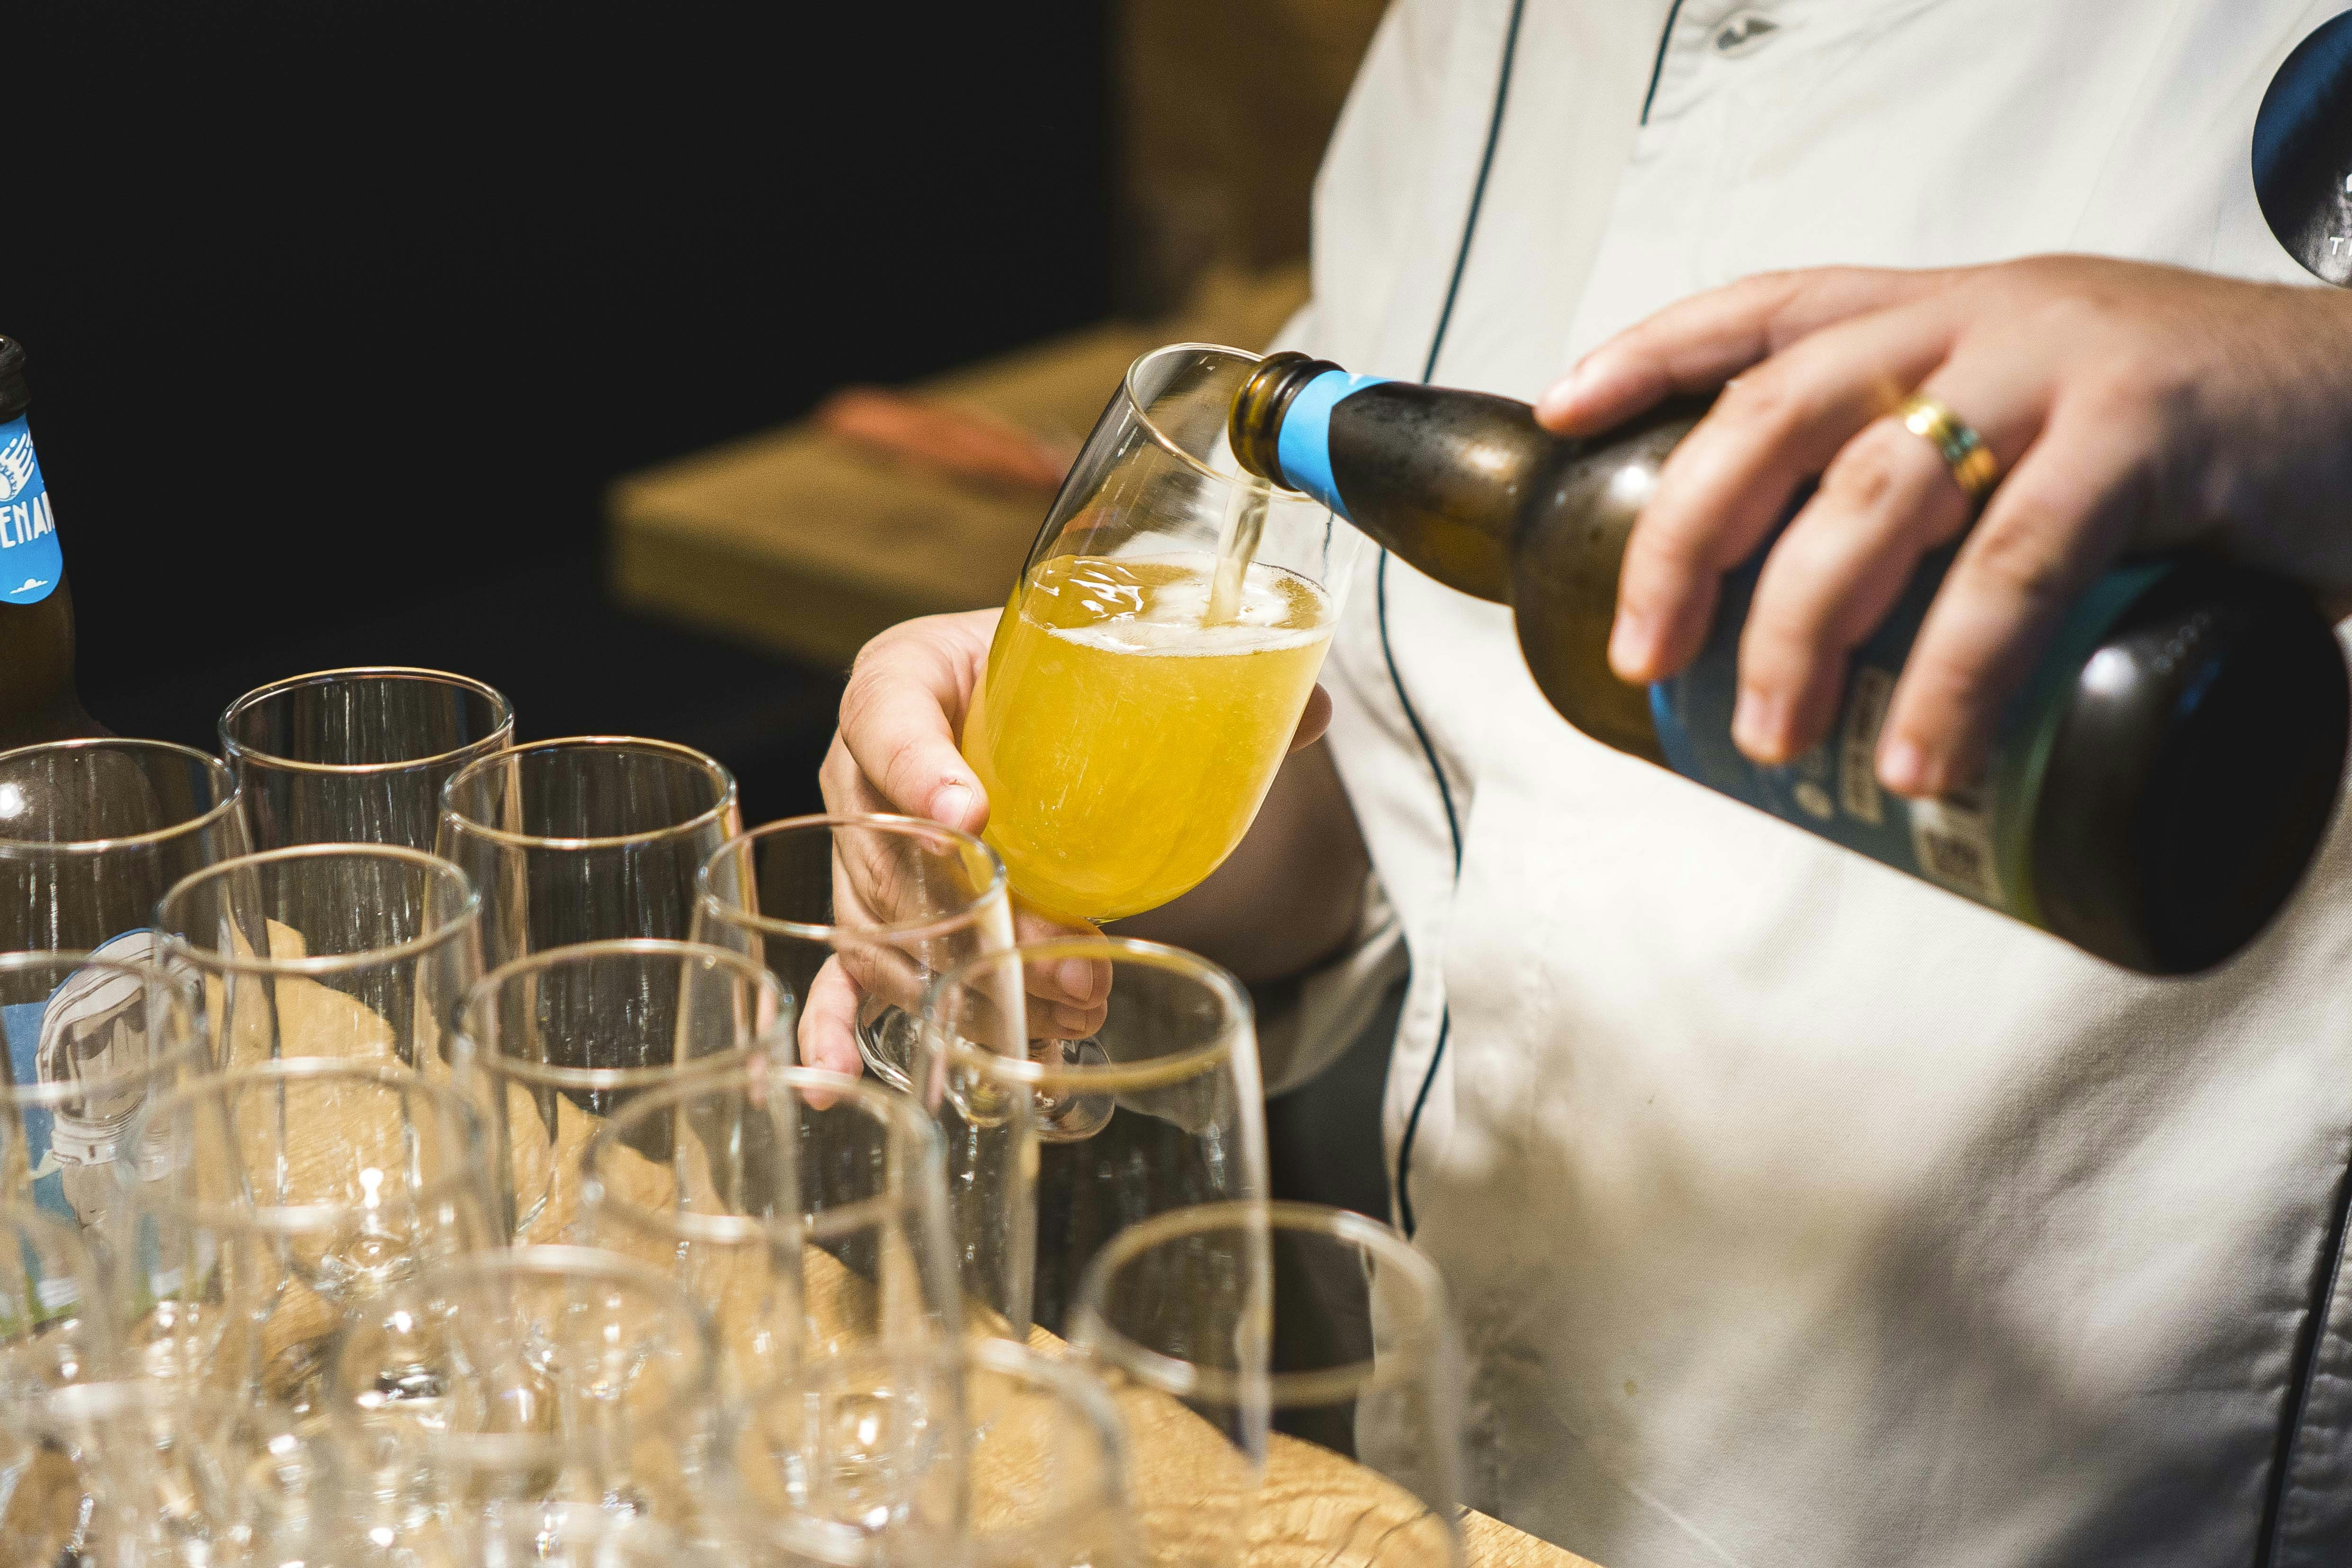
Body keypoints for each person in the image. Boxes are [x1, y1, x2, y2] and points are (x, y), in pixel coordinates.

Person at [820, 4, 2352, 1563]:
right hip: (1488, 1467)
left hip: (2070, 1470)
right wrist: (1061, 804)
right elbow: (1385, 772)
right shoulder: (1473, 31)